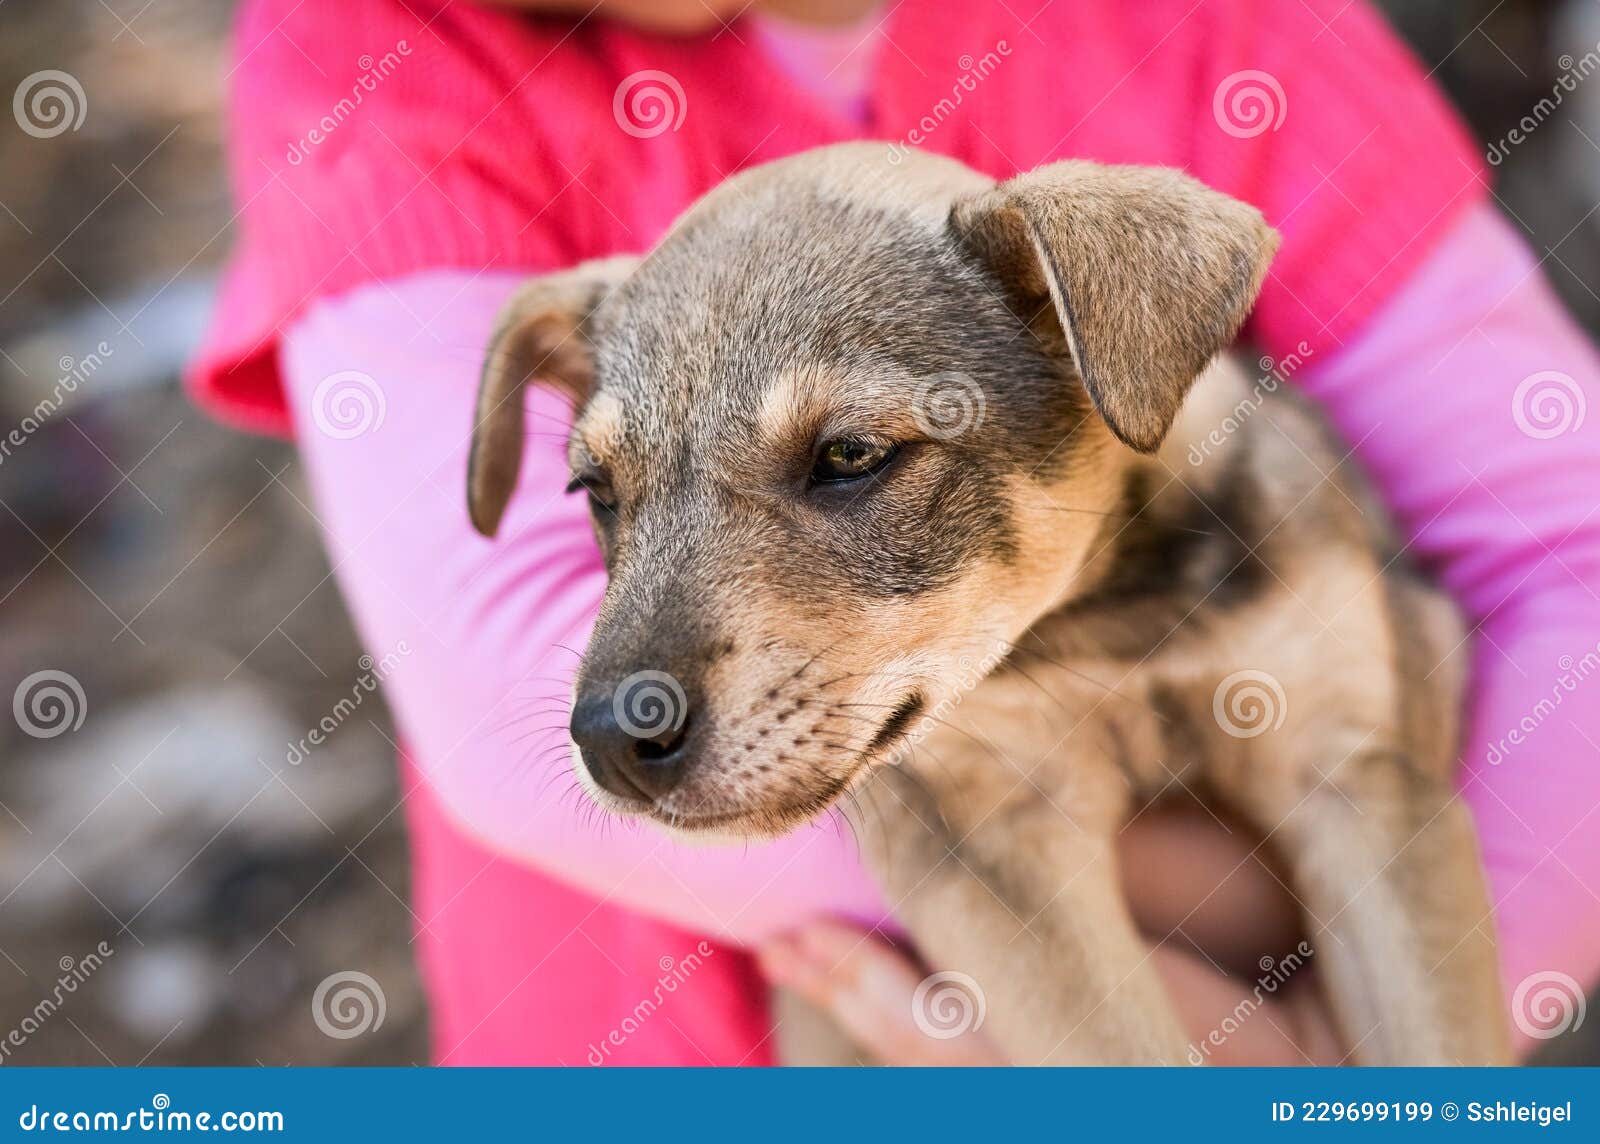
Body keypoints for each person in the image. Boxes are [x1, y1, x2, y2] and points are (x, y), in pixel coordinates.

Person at [191, 0, 1600, 1064]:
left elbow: (1571, 556)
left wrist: (1303, 1066)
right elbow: (497, 661)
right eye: (604, 491)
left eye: (848, 458)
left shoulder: (1209, 31)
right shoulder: (372, 43)